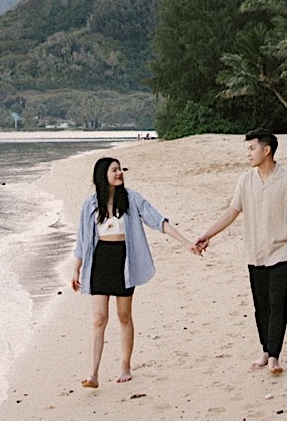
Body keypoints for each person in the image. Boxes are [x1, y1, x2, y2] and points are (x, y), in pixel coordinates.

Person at [71, 155, 197, 388]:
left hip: (124, 261)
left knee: (124, 316)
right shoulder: (89, 204)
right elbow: (82, 240)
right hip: (99, 262)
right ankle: (94, 374)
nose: (119, 173)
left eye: (120, 169)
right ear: (103, 176)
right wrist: (76, 269)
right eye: (114, 170)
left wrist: (186, 242)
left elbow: (159, 221)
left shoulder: (132, 199)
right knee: (99, 319)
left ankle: (125, 367)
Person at [193, 129, 287, 376]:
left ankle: (275, 356)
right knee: (261, 306)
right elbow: (232, 212)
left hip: (282, 253)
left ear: (266, 150)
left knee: (278, 304)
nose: (248, 154)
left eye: (251, 149)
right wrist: (207, 235)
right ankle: (266, 350)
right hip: (255, 254)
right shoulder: (245, 180)